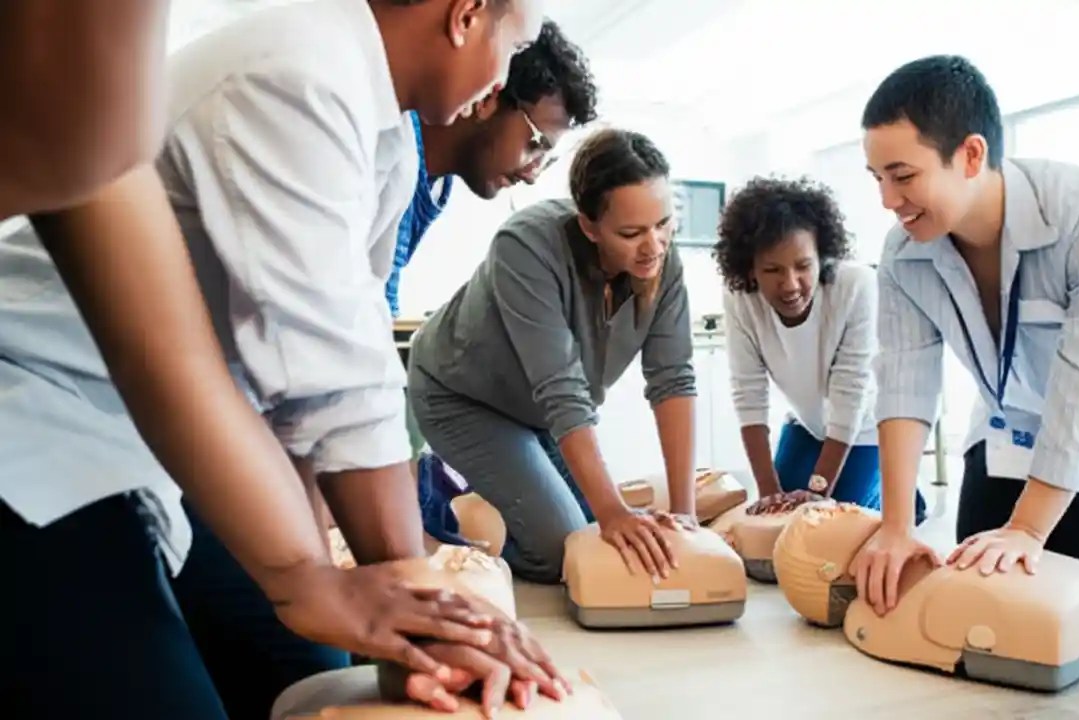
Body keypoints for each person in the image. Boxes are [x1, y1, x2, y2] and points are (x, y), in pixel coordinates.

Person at [0, 1, 569, 718]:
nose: (502, 79)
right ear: (466, 14)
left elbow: (279, 378)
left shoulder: (384, 138)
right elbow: (331, 386)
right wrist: (406, 593)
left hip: (163, 436)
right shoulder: (302, 74)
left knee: (304, 670)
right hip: (41, 419)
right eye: (512, 47)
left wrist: (330, 577)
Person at [851, 55, 1079, 619]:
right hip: (1016, 421)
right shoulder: (903, 252)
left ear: (970, 155)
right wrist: (896, 527)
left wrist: (1027, 528)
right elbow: (904, 383)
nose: (887, 200)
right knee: (982, 568)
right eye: (877, 178)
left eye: (902, 177)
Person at [409, 128, 700, 585]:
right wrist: (613, 512)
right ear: (589, 226)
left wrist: (686, 515)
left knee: (598, 540)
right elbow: (562, 390)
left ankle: (501, 493)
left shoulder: (662, 260)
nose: (654, 246)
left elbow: (673, 380)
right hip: (462, 398)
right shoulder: (525, 245)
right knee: (561, 550)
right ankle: (437, 498)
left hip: (537, 412)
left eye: (663, 224)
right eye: (631, 233)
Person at [714, 176, 927, 523]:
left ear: (822, 256)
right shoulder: (740, 298)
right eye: (772, 270)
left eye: (803, 266)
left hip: (869, 425)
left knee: (833, 522)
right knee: (780, 517)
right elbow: (748, 392)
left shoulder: (856, 285)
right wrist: (767, 492)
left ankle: (904, 496)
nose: (790, 285)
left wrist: (818, 489)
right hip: (808, 423)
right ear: (750, 269)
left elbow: (851, 391)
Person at [385, 18, 598, 319]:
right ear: (490, 97)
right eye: (535, 144)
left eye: (545, 159)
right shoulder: (390, 151)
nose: (532, 174)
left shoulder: (436, 184)